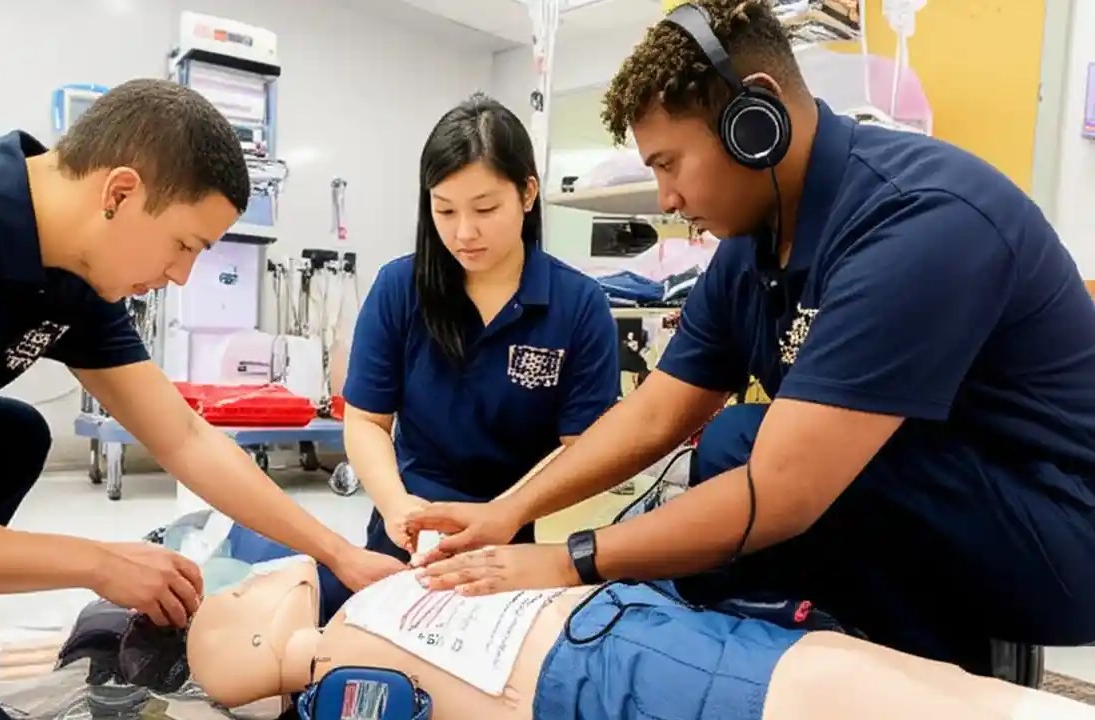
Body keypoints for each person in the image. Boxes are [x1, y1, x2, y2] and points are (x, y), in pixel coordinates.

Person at [406, 0, 1095, 677]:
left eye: (670, 163)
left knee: (767, 459)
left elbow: (785, 490)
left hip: (1063, 534)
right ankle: (853, 648)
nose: (666, 197)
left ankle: (953, 669)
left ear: (753, 121)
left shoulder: (921, 224)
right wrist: (509, 513)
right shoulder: (750, 246)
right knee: (734, 446)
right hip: (951, 498)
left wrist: (568, 561)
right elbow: (657, 412)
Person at [0, 78, 405, 719]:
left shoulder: (69, 273)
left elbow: (184, 437)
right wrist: (97, 563)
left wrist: (338, 552)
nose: (182, 275)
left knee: (6, 436)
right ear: (119, 192)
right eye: (185, 246)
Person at [226, 93, 620, 620]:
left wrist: (507, 514)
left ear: (528, 194)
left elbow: (584, 449)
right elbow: (366, 420)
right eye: (444, 209)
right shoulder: (399, 288)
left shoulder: (579, 305)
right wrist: (395, 506)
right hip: (410, 525)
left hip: (520, 532)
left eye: (485, 209)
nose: (463, 232)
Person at [154, 557, 1089, 720]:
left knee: (870, 685)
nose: (261, 582)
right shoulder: (332, 663)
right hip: (605, 662)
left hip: (608, 646)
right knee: (868, 688)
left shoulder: (347, 629)